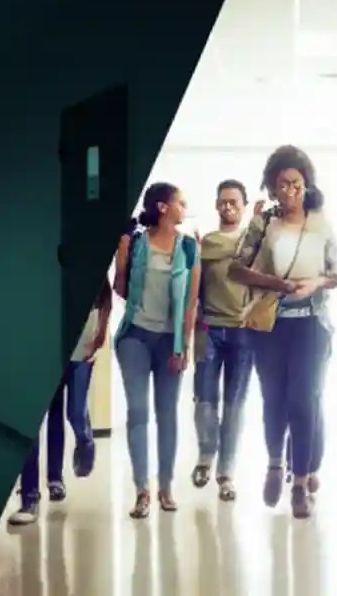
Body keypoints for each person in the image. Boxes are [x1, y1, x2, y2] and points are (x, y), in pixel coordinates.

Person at [228, 145, 337, 519]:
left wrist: (318, 282)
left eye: (296, 184)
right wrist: (276, 283)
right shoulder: (264, 224)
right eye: (282, 185)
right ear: (272, 187)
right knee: (273, 399)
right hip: (271, 325)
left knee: (304, 399)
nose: (290, 192)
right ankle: (275, 464)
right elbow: (236, 269)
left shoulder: (321, 224)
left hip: (311, 323)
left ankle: (301, 481)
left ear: (306, 185)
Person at [113, 182, 200, 519]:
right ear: (163, 207)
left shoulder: (190, 248)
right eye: (181, 202)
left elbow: (190, 303)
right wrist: (121, 250)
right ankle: (141, 490)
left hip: (169, 342)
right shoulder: (136, 243)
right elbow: (121, 287)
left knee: (167, 413)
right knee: (138, 411)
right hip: (135, 336)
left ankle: (165, 487)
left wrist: (185, 346)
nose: (184, 207)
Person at [8, 277, 112, 526]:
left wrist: (101, 332)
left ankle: (79, 450)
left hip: (81, 348)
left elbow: (105, 296)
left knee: (73, 413)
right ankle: (31, 496)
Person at [191, 179, 253, 502]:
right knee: (203, 401)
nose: (228, 206)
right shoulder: (206, 244)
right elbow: (194, 289)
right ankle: (205, 455)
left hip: (244, 332)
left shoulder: (253, 243)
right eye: (223, 201)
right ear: (216, 205)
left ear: (243, 205)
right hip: (208, 329)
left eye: (234, 201)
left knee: (234, 406)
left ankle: (226, 473)